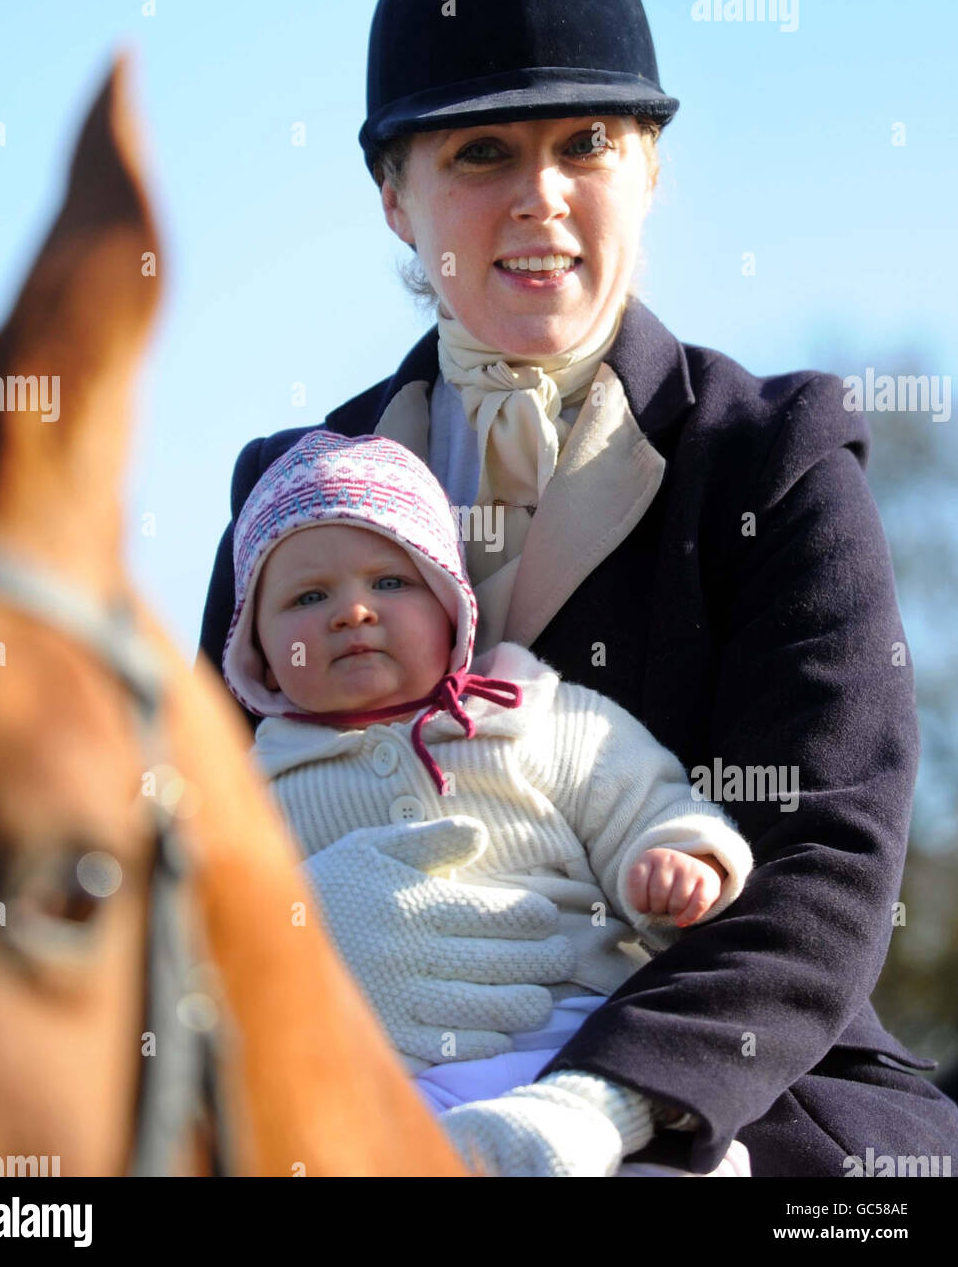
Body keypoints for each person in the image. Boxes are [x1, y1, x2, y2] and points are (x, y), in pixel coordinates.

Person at [199, 0, 958, 1175]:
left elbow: (821, 865)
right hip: (342, 1078)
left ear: (650, 165)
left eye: (587, 143)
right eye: (483, 152)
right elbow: (201, 835)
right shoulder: (285, 492)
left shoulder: (776, 456)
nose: (540, 200)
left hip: (726, 1080)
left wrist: (602, 1102)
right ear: (396, 196)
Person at [221, 429, 755, 1175]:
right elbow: (219, 940)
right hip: (392, 1078)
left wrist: (678, 859)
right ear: (260, 655)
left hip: (580, 1044)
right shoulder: (248, 791)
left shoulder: (541, 716)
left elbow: (644, 800)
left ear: (452, 609)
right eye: (309, 597)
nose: (352, 613)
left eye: (389, 582)